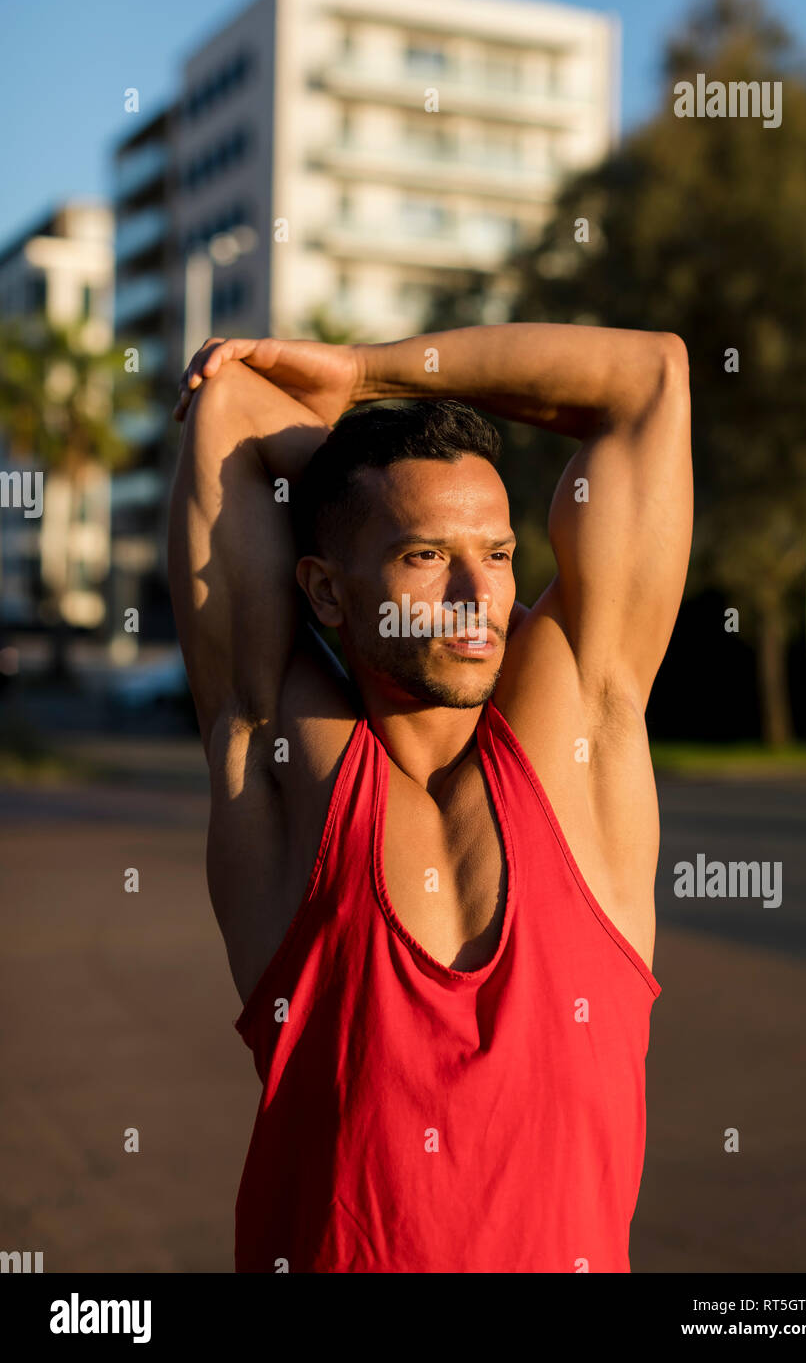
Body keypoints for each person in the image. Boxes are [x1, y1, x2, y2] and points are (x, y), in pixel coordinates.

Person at [169, 322, 692, 1273]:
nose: (478, 596)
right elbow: (235, 405)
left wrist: (368, 374)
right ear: (325, 594)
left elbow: (648, 380)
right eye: (422, 557)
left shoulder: (582, 727)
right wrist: (351, 465)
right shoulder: (289, 766)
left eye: (496, 554)